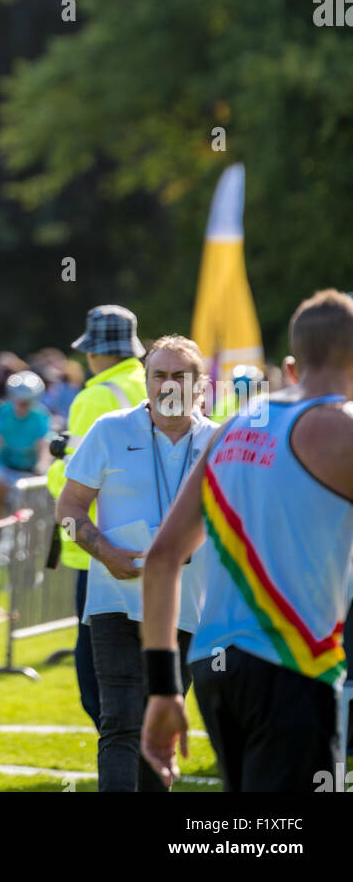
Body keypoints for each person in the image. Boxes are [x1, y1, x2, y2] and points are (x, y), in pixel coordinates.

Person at [140, 290, 353, 793]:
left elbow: (163, 556)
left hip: (215, 666)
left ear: (292, 363)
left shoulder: (235, 425)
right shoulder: (338, 429)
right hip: (294, 662)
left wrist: (164, 689)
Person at [57, 334, 216, 791]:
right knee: (121, 721)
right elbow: (67, 513)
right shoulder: (109, 429)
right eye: (159, 374)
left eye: (179, 376)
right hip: (114, 602)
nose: (168, 384)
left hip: (185, 607)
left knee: (160, 726)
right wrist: (103, 550)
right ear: (145, 381)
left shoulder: (219, 441)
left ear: (200, 386)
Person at [46, 305, 149, 733]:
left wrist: (51, 464)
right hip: (153, 542)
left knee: (98, 678)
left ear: (94, 353)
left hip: (100, 550)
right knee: (151, 662)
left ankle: (127, 757)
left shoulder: (96, 397)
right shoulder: (152, 383)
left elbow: (70, 484)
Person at [0, 371, 51, 519]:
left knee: (32, 507)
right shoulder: (3, 412)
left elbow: (44, 443)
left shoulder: (40, 415)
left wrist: (42, 464)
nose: (22, 406)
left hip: (30, 468)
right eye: (19, 401)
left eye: (26, 402)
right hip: (7, 464)